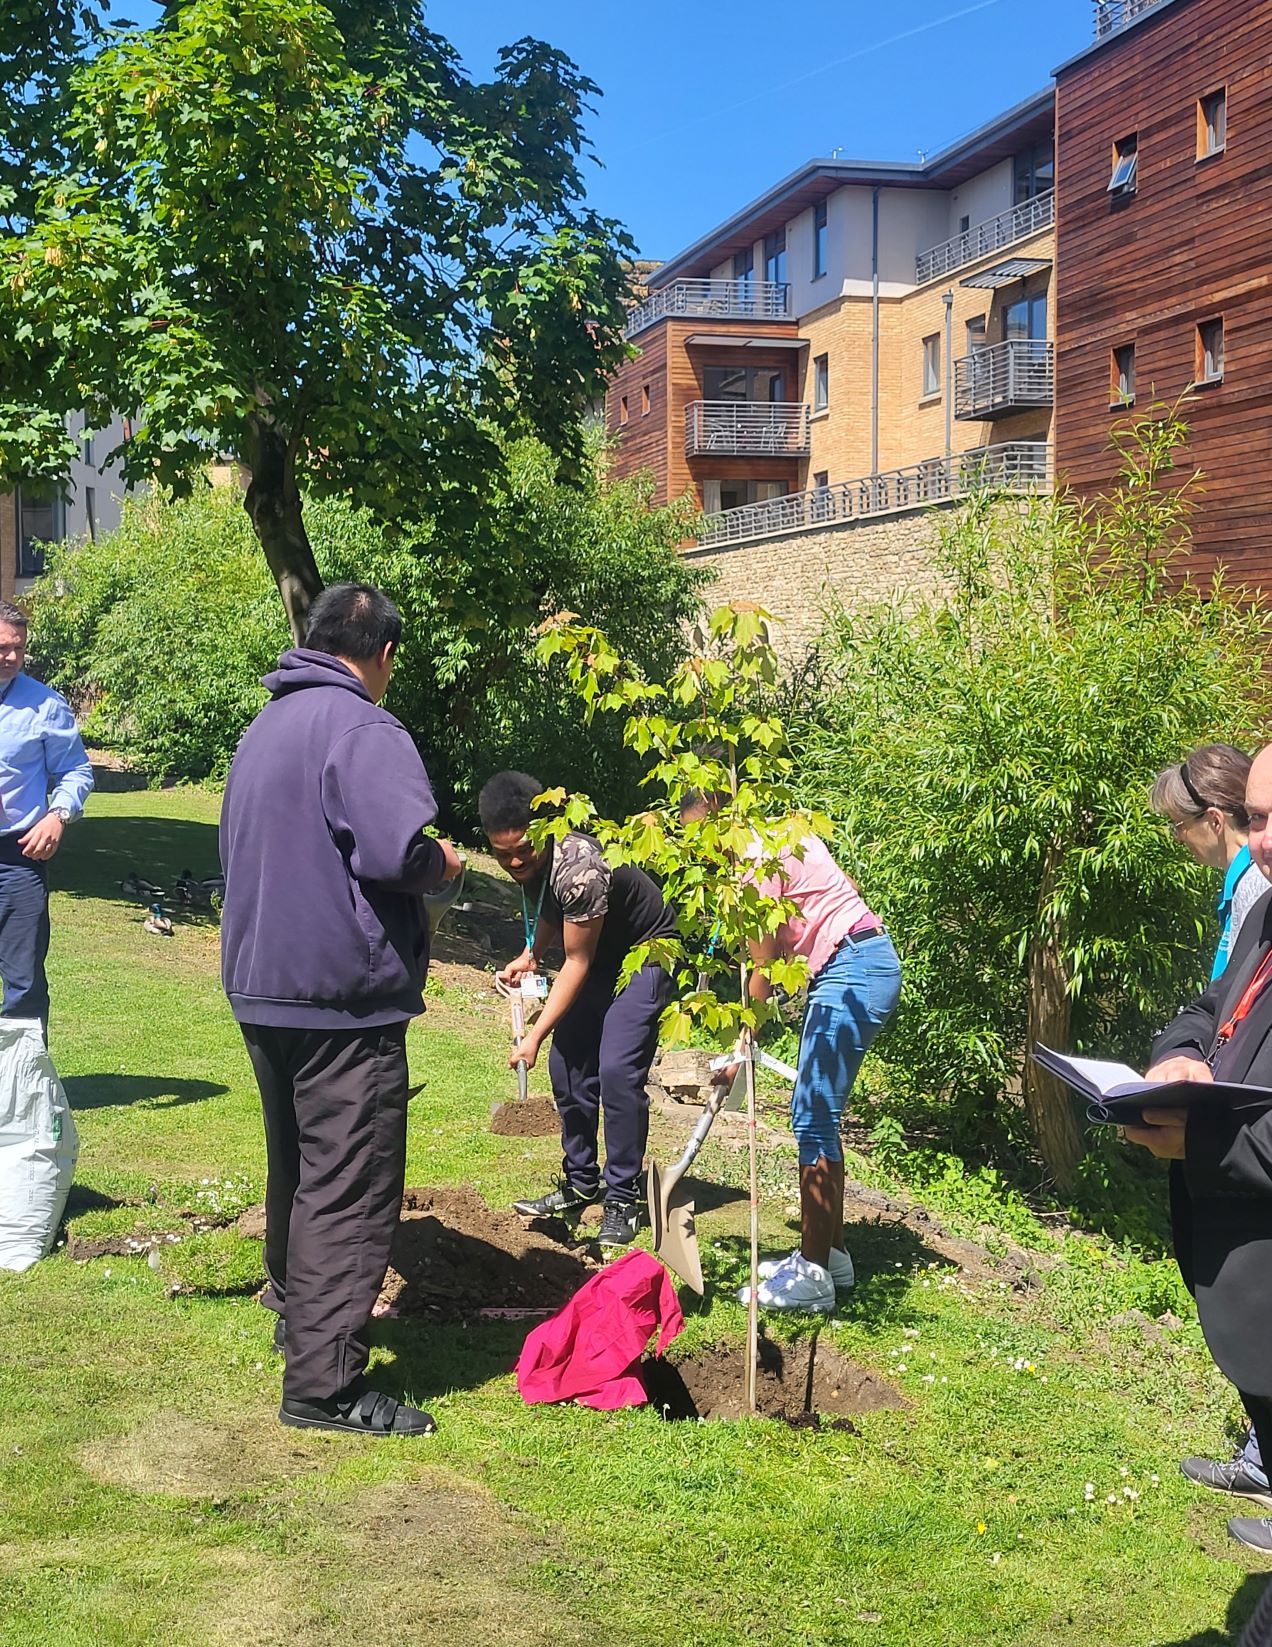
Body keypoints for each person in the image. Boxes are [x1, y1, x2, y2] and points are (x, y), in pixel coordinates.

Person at [220, 583, 462, 1437]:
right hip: (340, 996)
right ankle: (323, 1386)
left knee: (296, 1163)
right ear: (383, 653)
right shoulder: (363, 727)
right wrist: (446, 863)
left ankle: (297, 1313)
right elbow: (397, 853)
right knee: (350, 1183)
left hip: (264, 982)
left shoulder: (266, 726)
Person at [1124, 741, 1272, 1552]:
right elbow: (1212, 1002)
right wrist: (1179, 1055)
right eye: (1257, 817)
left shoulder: (1256, 887)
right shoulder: (1263, 909)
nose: (1261, 841)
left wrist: (1207, 1133)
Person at [681, 795, 902, 1314]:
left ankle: (813, 1276)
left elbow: (764, 966)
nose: (700, 850)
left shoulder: (755, 863)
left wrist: (741, 1046)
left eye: (701, 835)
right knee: (817, 1115)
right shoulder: (785, 834)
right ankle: (832, 1256)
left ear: (721, 817)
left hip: (852, 969)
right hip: (861, 958)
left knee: (812, 1116)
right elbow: (845, 889)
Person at [478, 771, 676, 1249]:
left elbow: (577, 962)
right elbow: (555, 910)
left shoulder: (580, 866)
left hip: (648, 952)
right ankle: (581, 1182)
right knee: (567, 1064)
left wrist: (533, 1035)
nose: (515, 861)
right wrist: (530, 955)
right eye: (502, 854)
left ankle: (622, 1196)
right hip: (601, 955)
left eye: (523, 849)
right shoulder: (536, 864)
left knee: (616, 1070)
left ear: (543, 831)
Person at [0, 599, 93, 1033]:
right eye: (2, 647)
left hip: (18, 858)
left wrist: (58, 814)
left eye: (18, 648)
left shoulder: (46, 706)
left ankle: (23, 1076)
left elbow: (76, 770)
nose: (11, 657)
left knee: (24, 984)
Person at [1151, 745, 1265, 980]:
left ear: (1215, 820)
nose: (1178, 838)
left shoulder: (1256, 886)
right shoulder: (1245, 880)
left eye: (1179, 825)